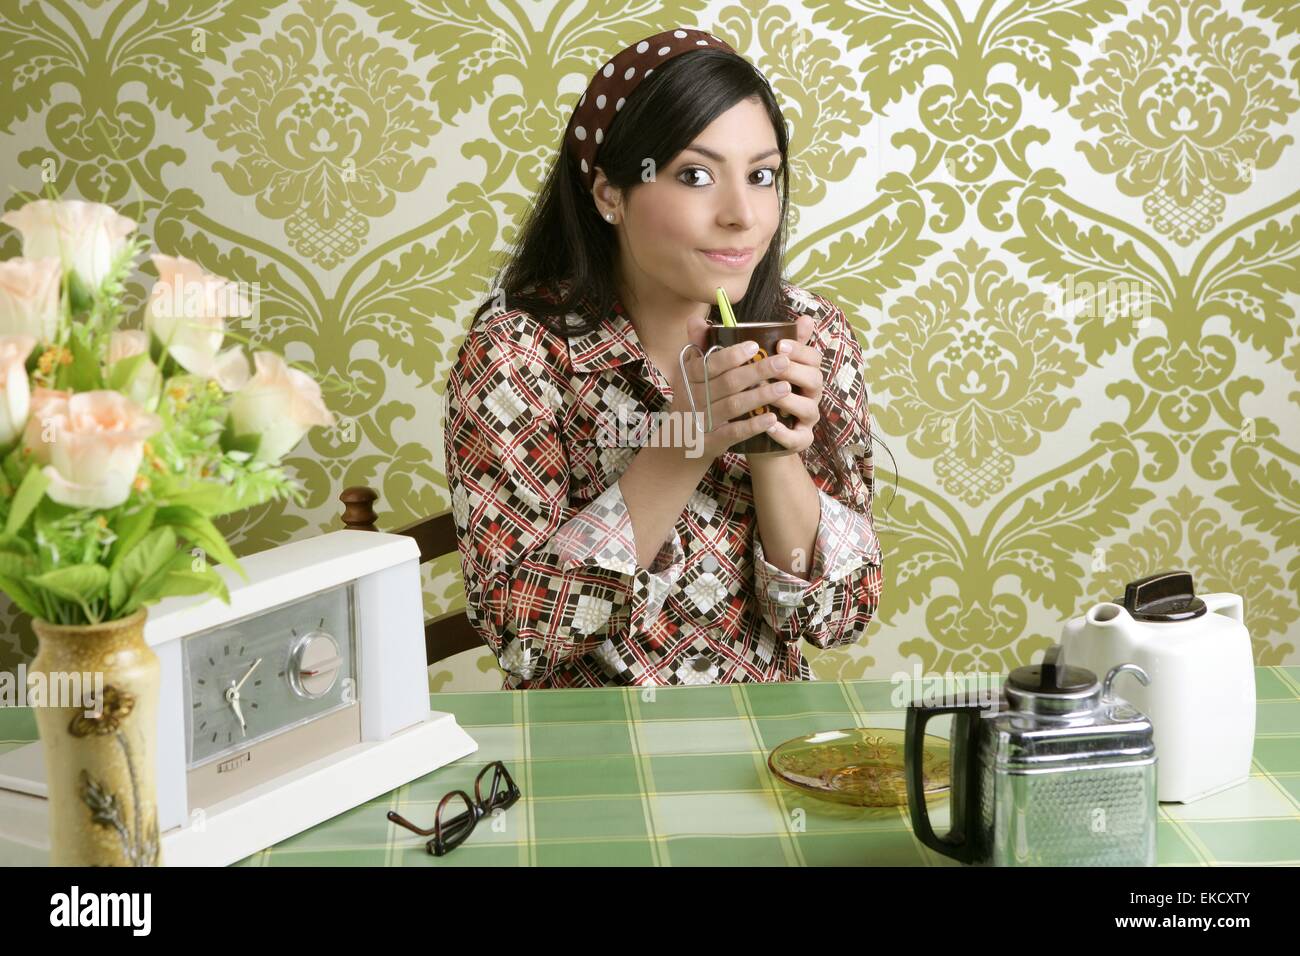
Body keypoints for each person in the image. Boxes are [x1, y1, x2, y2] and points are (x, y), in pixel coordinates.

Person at [444, 28, 884, 689]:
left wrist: (774, 450)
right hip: (582, 751)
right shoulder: (517, 353)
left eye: (762, 176)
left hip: (765, 740)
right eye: (695, 175)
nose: (743, 215)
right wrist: (684, 441)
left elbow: (834, 619)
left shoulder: (812, 335)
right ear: (608, 195)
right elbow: (520, 637)